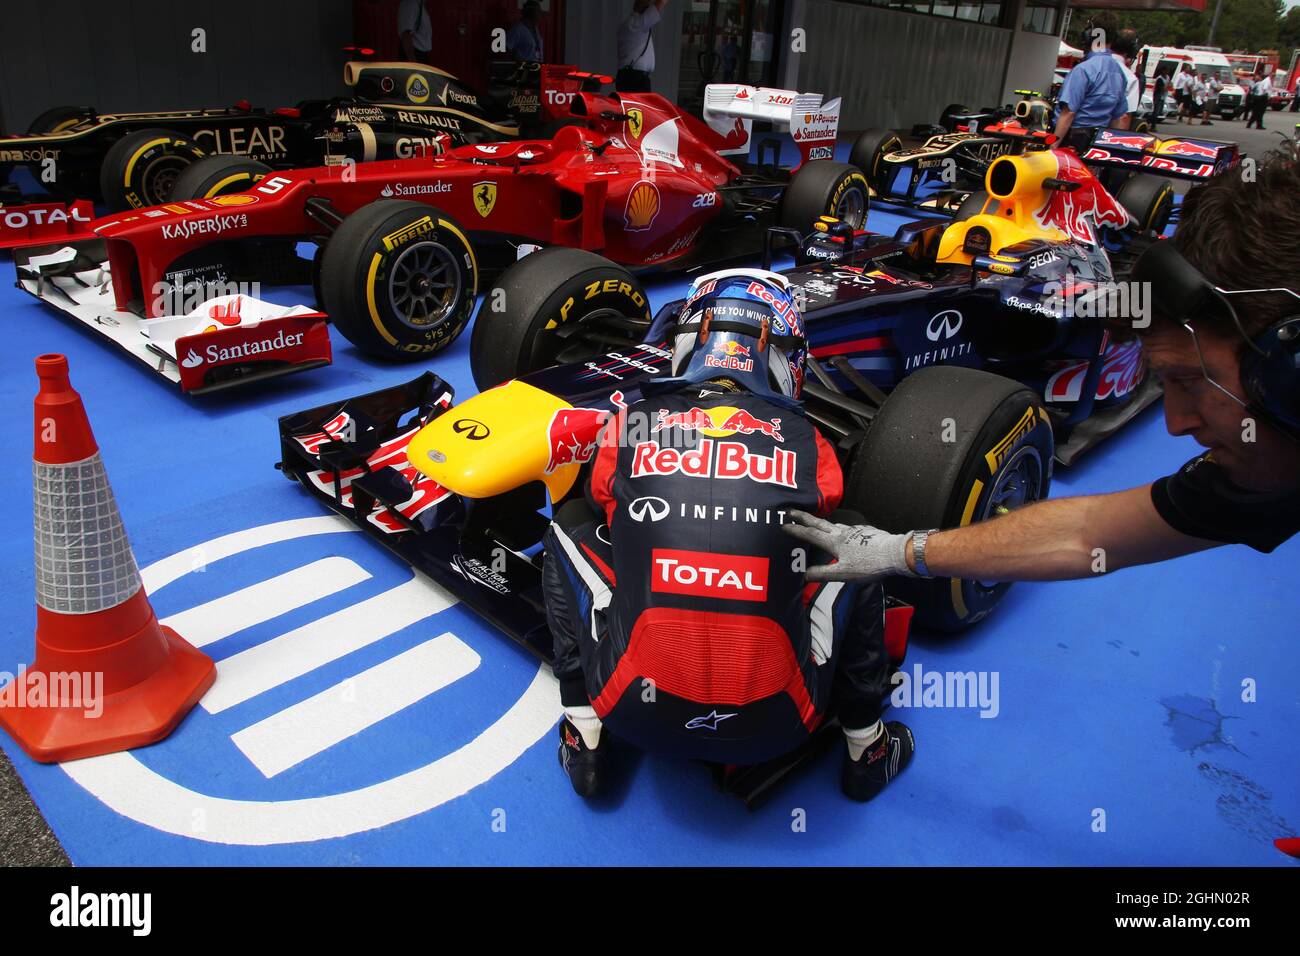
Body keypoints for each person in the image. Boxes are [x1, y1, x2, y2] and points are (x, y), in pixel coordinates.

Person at [784, 155, 1300, 590]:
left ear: (1287, 372)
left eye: (1188, 380)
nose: (1177, 424)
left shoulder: (1061, 271)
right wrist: (900, 551)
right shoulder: (1263, 468)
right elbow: (1089, 533)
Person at [542, 270, 914, 801]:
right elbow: (818, 513)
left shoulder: (630, 424)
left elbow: (606, 507)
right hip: (780, 723)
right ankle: (867, 750)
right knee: (855, 540)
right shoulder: (812, 445)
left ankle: (584, 733)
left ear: (691, 343)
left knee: (569, 522)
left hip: (629, 707)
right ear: (780, 355)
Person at [1054, 14, 1129, 149]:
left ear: (1091, 36)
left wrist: (1052, 148)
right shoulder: (1119, 72)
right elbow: (1120, 118)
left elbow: (1069, 113)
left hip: (1073, 139)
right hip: (1099, 140)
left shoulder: (1083, 69)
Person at [615, 0, 668, 94]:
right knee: (638, 108)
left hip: (629, 76)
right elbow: (660, 4)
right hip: (635, 79)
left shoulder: (629, 24)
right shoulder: (637, 23)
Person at [1110, 30, 1142, 131]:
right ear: (1133, 50)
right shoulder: (1130, 78)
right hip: (1103, 136)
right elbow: (1124, 118)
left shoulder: (1087, 66)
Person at [397, 0, 432, 64]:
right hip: (415, 55)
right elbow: (405, 35)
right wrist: (413, 62)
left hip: (421, 54)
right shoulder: (410, 4)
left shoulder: (419, 4)